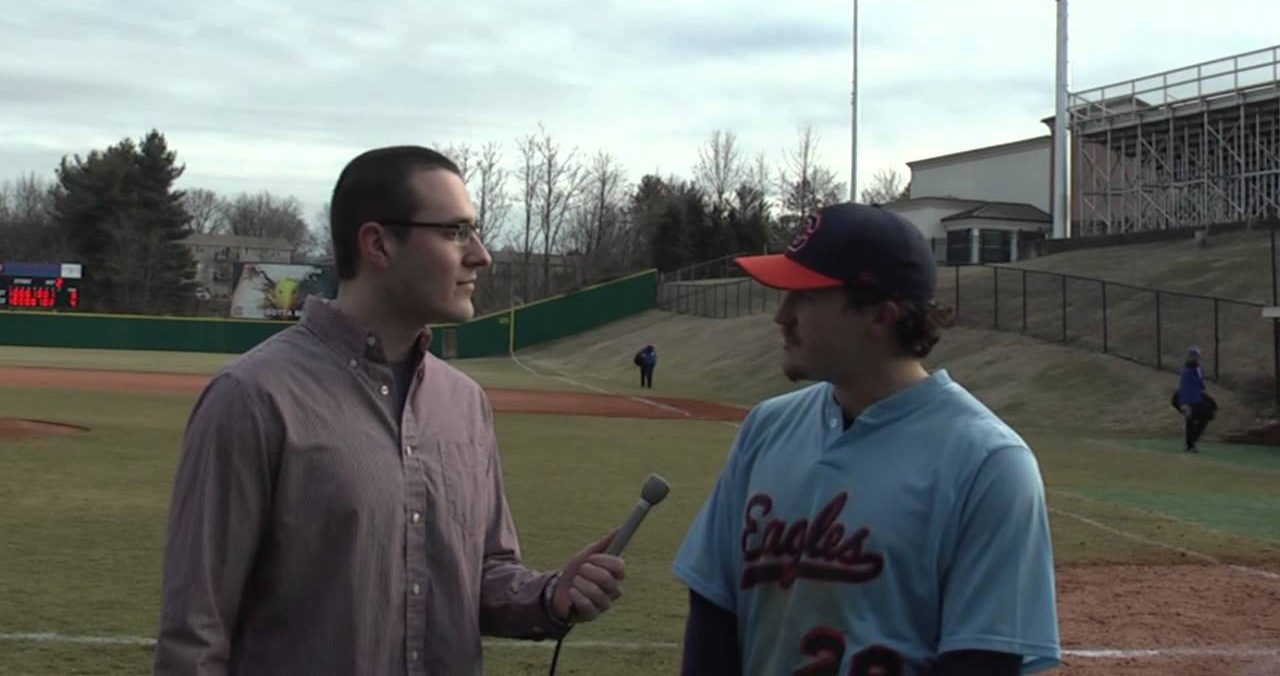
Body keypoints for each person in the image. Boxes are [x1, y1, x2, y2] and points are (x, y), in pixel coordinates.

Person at [154, 146, 625, 676]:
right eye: (455, 232)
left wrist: (549, 595)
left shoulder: (465, 404)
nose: (481, 255)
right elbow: (195, 632)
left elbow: (482, 572)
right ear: (378, 244)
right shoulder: (252, 398)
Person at [672, 203, 1061, 675]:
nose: (782, 315)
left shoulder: (987, 462)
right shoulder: (767, 427)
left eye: (805, 297)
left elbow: (983, 660)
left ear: (880, 317)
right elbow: (715, 606)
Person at [1174, 346, 1216, 453]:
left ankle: (1190, 443)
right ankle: (1190, 444)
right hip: (1187, 398)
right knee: (1191, 419)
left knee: (1203, 416)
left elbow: (1200, 384)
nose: (1196, 358)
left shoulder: (1197, 369)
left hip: (1195, 398)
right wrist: (1184, 403)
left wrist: (1206, 395)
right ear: (1189, 356)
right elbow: (1185, 386)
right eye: (1193, 355)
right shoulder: (1186, 370)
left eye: (1197, 356)